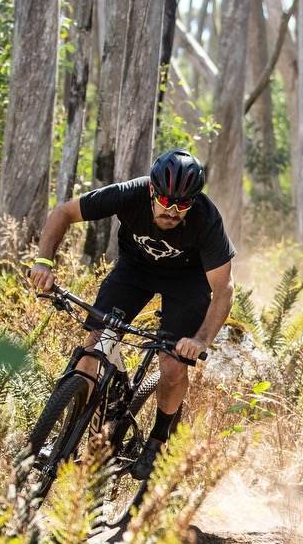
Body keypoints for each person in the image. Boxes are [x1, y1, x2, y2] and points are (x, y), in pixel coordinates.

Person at [28, 149, 235, 482]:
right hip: (133, 272)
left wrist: (199, 339)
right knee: (94, 346)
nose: (171, 210)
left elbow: (223, 291)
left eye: (182, 205)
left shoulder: (207, 220)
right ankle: (66, 432)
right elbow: (64, 213)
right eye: (165, 201)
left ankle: (158, 440)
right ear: (152, 191)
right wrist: (44, 262)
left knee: (171, 364)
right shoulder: (130, 194)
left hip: (186, 282)